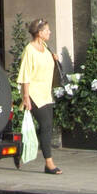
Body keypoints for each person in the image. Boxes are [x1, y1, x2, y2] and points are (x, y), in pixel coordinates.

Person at [17, 18, 61, 174]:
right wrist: (26, 97)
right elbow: (25, 75)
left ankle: (19, 147)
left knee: (46, 128)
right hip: (34, 94)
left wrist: (54, 59)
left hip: (46, 94)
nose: (49, 32)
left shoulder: (46, 47)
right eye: (47, 30)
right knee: (46, 126)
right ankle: (49, 163)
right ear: (40, 33)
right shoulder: (29, 50)